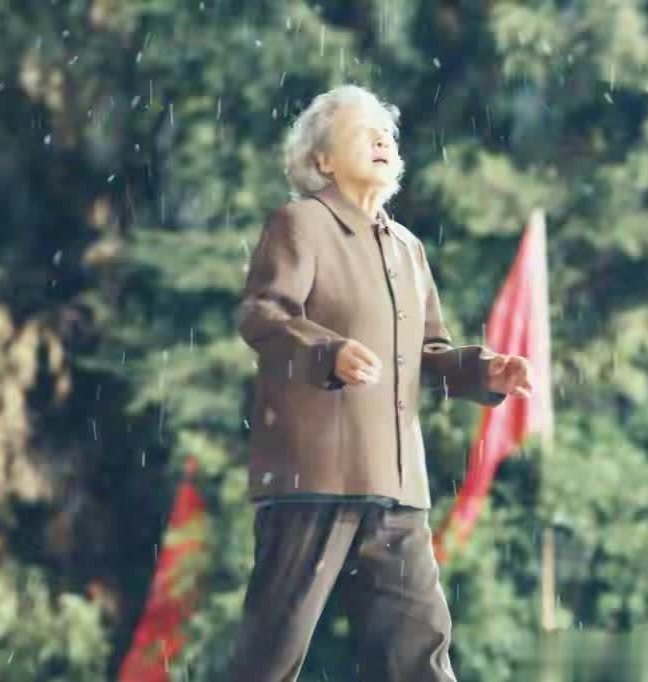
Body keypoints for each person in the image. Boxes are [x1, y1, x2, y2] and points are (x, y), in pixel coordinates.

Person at [226, 84, 532, 681]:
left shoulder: (408, 248)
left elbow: (428, 351)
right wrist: (328, 352)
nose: (383, 139)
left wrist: (481, 370)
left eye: (387, 132)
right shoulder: (300, 223)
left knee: (419, 653)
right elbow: (263, 315)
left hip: (397, 487)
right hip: (311, 478)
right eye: (363, 131)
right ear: (322, 160)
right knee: (270, 655)